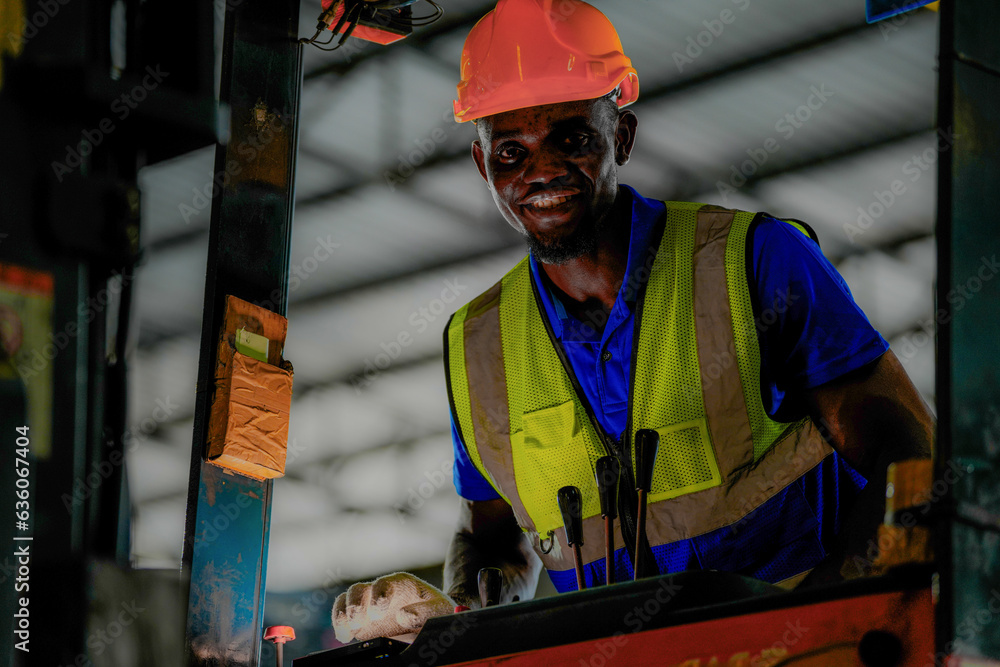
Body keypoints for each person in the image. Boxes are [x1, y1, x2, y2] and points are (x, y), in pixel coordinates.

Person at [332, 0, 934, 643]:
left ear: (620, 137)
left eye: (572, 138)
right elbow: (495, 541)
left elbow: (910, 461)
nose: (541, 172)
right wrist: (453, 612)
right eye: (510, 151)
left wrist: (811, 630)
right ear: (483, 166)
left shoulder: (753, 260)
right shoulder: (477, 343)